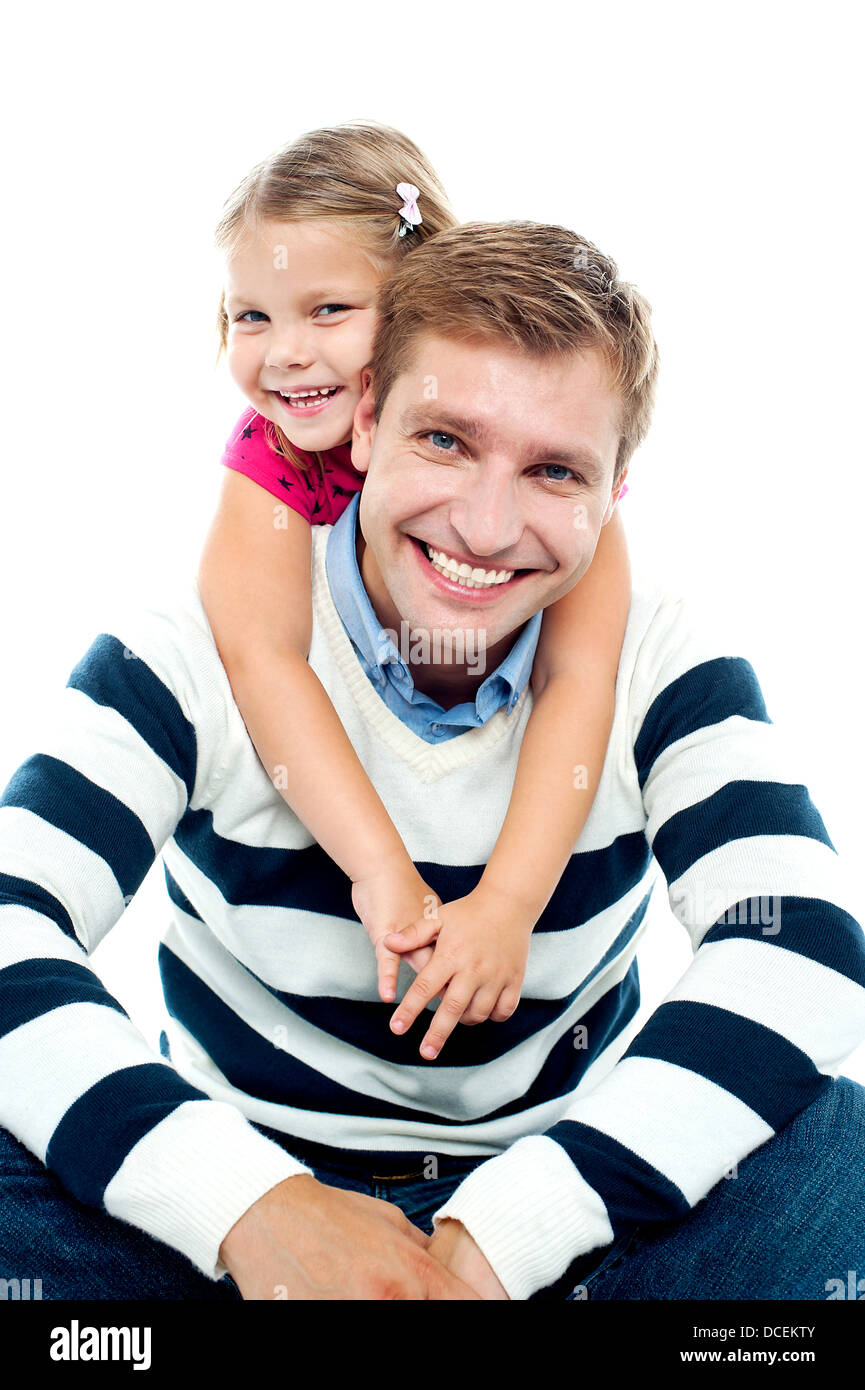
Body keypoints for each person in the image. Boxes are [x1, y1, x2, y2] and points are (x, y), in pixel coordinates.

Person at [1, 220, 864, 1301]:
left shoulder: (658, 655)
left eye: (554, 470)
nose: (487, 524)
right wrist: (245, 1207)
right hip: (245, 1237)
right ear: (363, 419)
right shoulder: (200, 644)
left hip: (561, 1224)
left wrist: (500, 1237)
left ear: (616, 489)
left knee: (842, 1151)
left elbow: (800, 947)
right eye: (446, 441)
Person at [197, 123, 633, 1059]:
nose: (284, 356)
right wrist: (382, 873)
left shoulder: (554, 458)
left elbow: (579, 678)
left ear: (412, 309)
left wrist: (509, 905)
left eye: (327, 310)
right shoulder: (263, 459)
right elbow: (262, 656)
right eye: (251, 316)